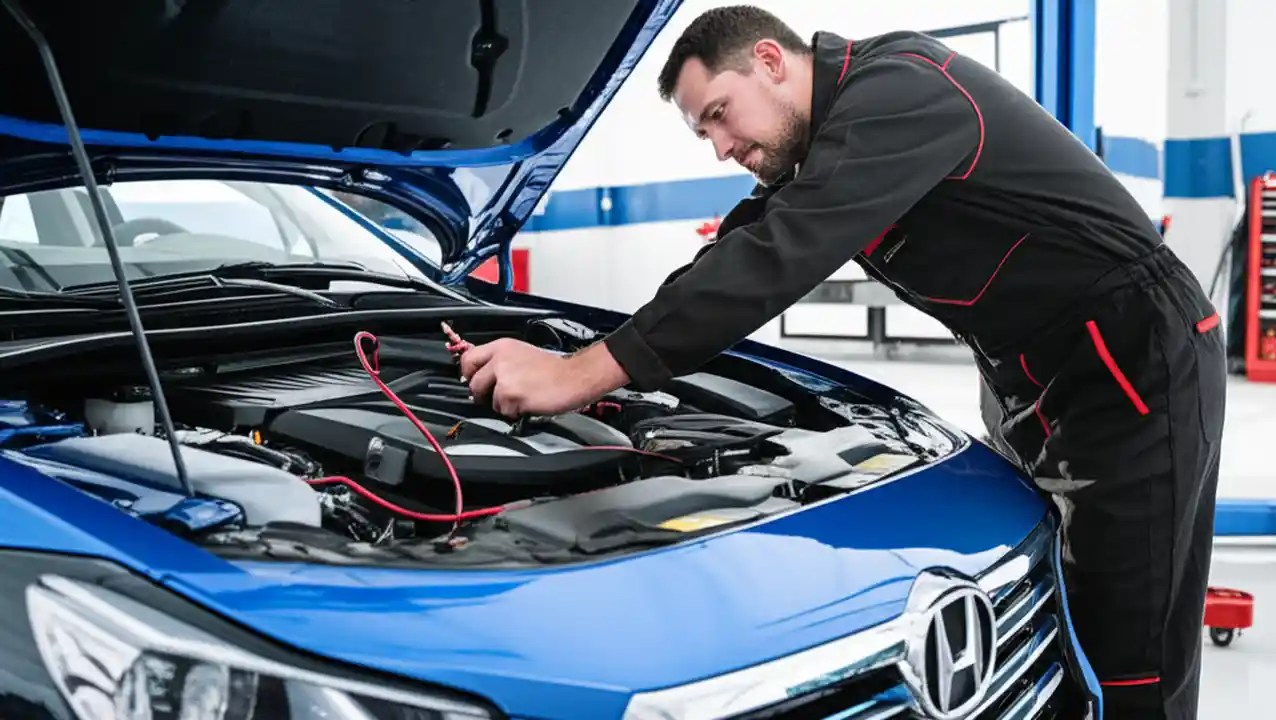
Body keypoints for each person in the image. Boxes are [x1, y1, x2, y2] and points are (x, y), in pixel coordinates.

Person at [458, 6, 1225, 718]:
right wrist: (573, 355)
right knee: (1053, 616)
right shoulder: (824, 151)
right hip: (1033, 378)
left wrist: (582, 376)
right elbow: (730, 255)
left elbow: (774, 256)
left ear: (769, 60)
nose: (721, 147)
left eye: (719, 115)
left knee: (1130, 647)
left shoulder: (901, 91)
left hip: (1132, 362)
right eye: (703, 136)